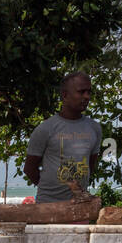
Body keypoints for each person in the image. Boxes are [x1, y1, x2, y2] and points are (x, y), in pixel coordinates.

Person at [24, 72, 103, 204]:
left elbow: (90, 164)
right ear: (65, 95)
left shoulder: (94, 128)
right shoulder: (45, 129)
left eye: (89, 92)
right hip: (48, 206)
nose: (86, 96)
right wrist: (51, 191)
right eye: (81, 92)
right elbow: (29, 169)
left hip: (80, 207)